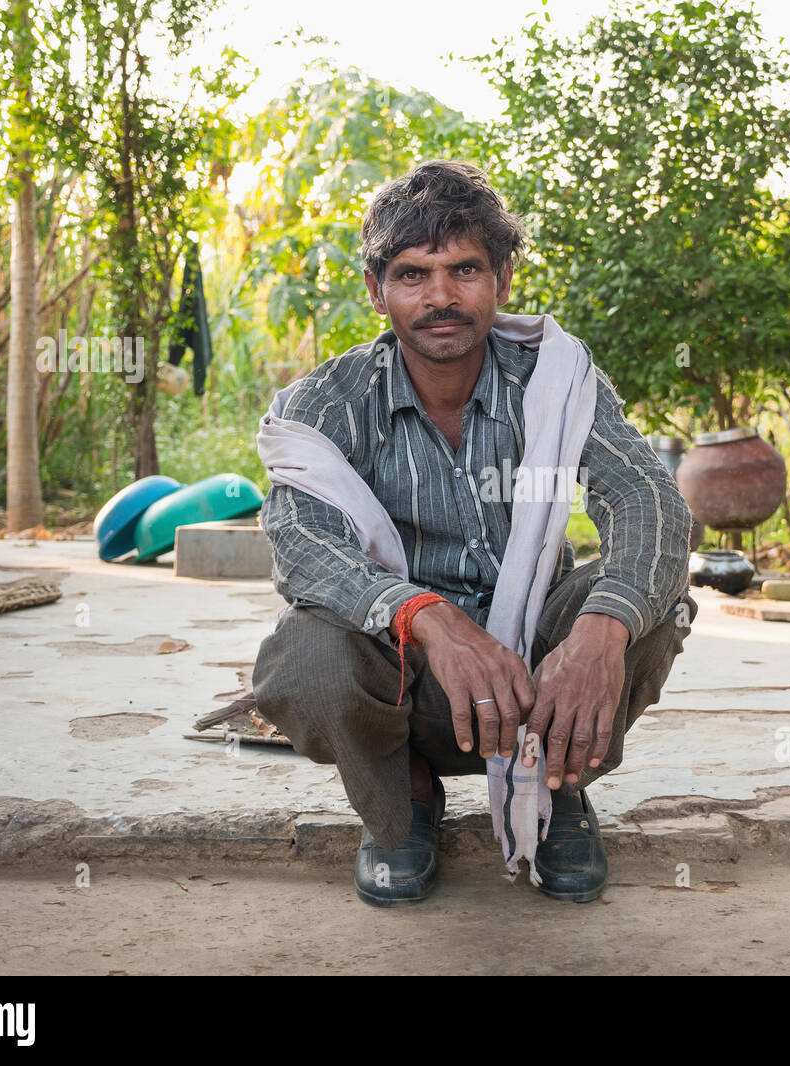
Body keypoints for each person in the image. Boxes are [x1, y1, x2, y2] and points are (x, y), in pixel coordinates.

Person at [251, 160, 697, 906]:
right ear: (376, 290)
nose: (441, 298)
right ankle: (406, 801)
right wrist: (429, 617)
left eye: (464, 269)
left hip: (535, 675)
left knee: (643, 603)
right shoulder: (326, 404)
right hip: (407, 675)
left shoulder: (555, 379)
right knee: (304, 656)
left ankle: (558, 789)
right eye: (412, 275)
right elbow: (303, 543)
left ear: (503, 280)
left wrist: (601, 629)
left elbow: (648, 500)